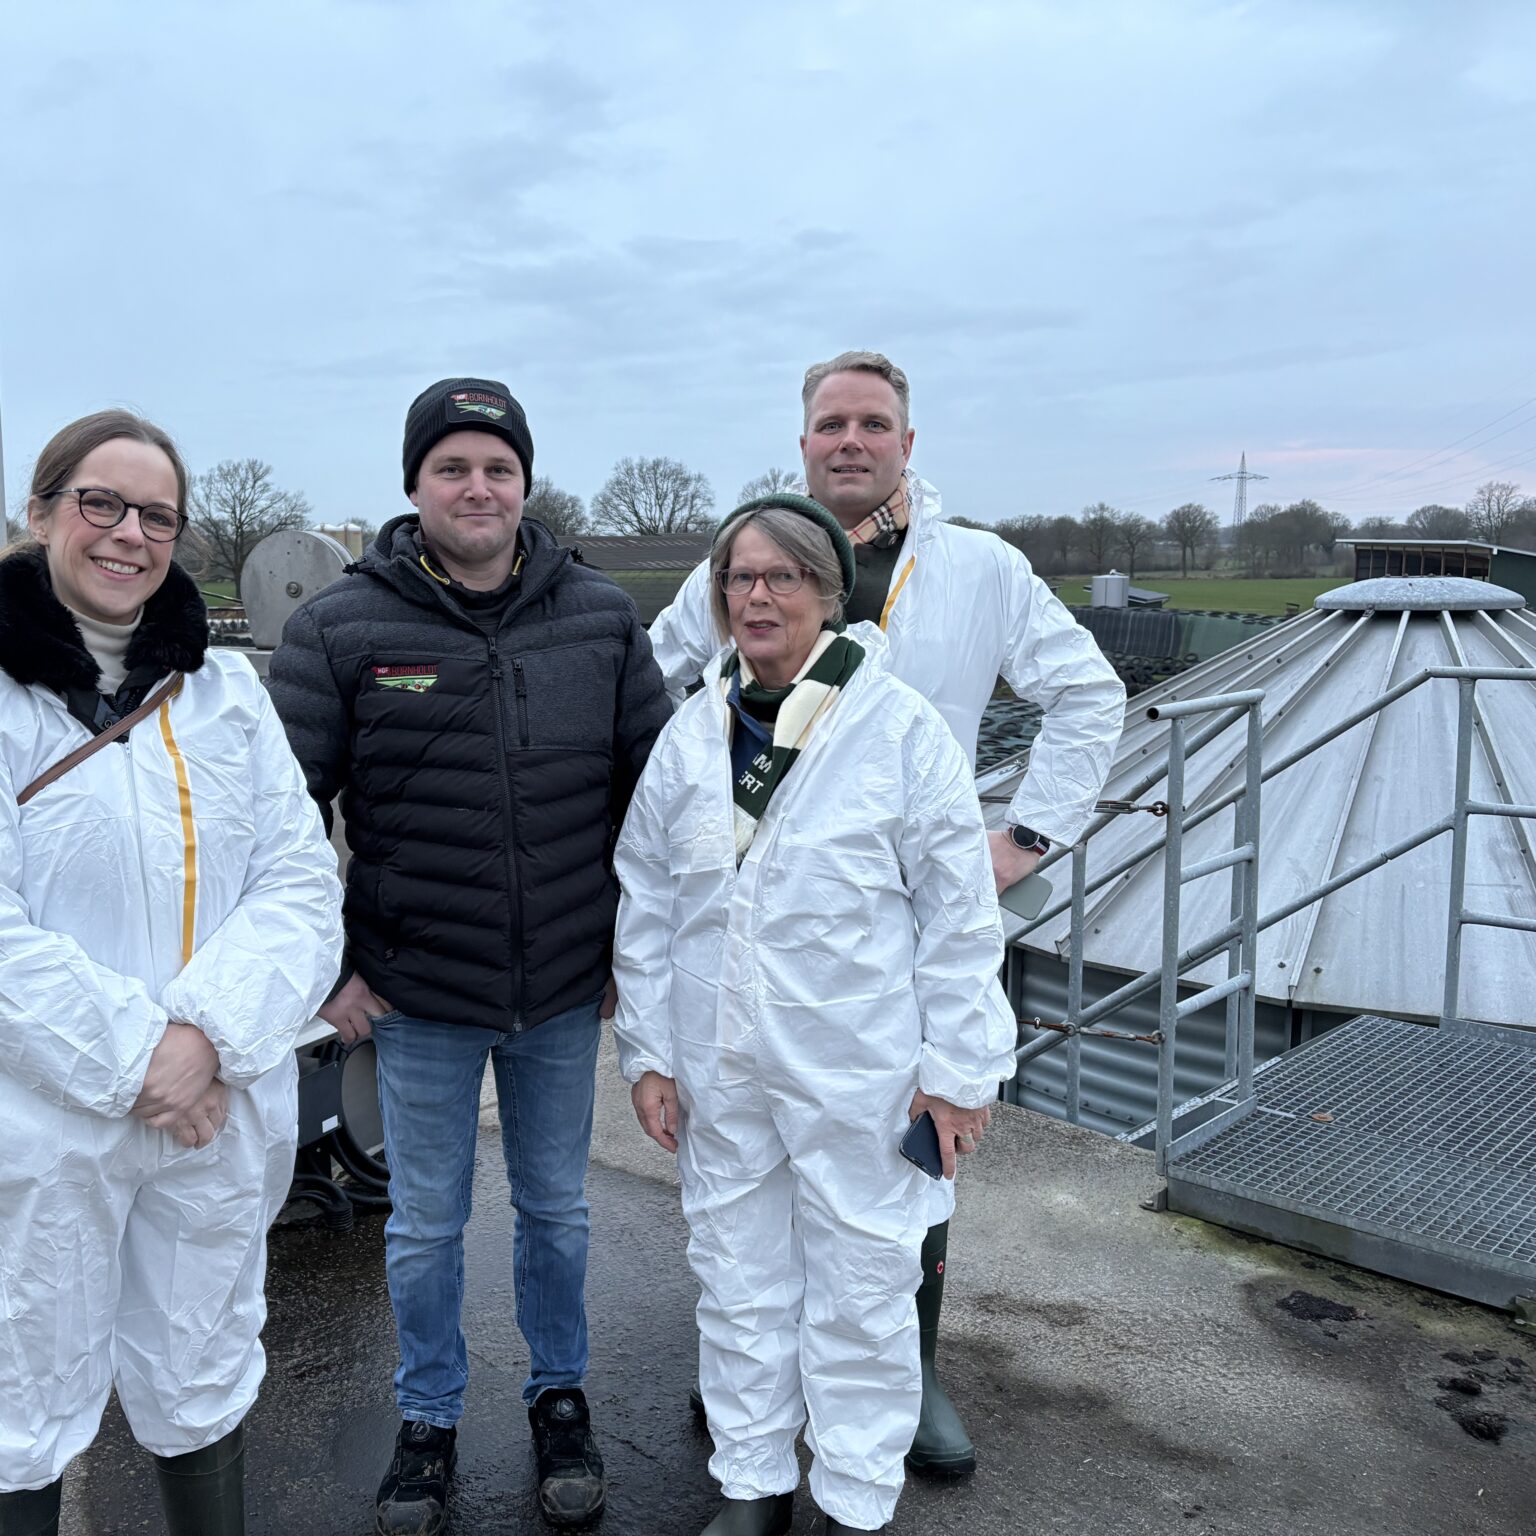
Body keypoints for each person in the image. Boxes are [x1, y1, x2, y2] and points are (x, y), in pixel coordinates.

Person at [648, 350, 1125, 1475]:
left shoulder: (980, 569)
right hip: (767, 918)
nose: (849, 441)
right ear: (802, 441)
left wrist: (1021, 838)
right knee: (754, 1173)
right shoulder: (742, 559)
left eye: (872, 423)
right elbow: (652, 684)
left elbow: (1089, 693)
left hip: (910, 920)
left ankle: (906, 1373)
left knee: (916, 1148)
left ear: (907, 443)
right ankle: (756, 1382)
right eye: (829, 423)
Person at [268, 377, 672, 1535]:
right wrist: (328, 972)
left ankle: (559, 1401)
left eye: (498, 467)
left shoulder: (598, 616)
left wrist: (630, 954)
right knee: (426, 1222)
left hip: (558, 990)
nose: (477, 486)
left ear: (525, 483)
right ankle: (429, 1420)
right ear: (414, 484)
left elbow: (655, 802)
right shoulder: (341, 627)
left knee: (556, 1210)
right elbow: (284, 824)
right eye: (453, 466)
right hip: (417, 990)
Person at [614, 494, 1015, 1535]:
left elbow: (959, 918)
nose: (757, 596)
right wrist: (649, 1055)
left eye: (781, 576)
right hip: (718, 1066)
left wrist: (960, 1073)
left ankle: (851, 1499)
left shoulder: (898, 731)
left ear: (829, 594)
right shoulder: (692, 734)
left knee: (864, 1292)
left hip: (862, 1070)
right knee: (737, 1282)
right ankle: (752, 1486)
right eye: (738, 578)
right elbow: (648, 900)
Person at [0, 410, 344, 1536]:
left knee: (201, 1367)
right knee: (22, 1389)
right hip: (42, 1123)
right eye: (101, 502)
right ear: (43, 511)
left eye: (156, 514)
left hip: (216, 1107)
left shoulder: (224, 695)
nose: (128, 533)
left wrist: (204, 1037)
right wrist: (147, 1054)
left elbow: (298, 883)